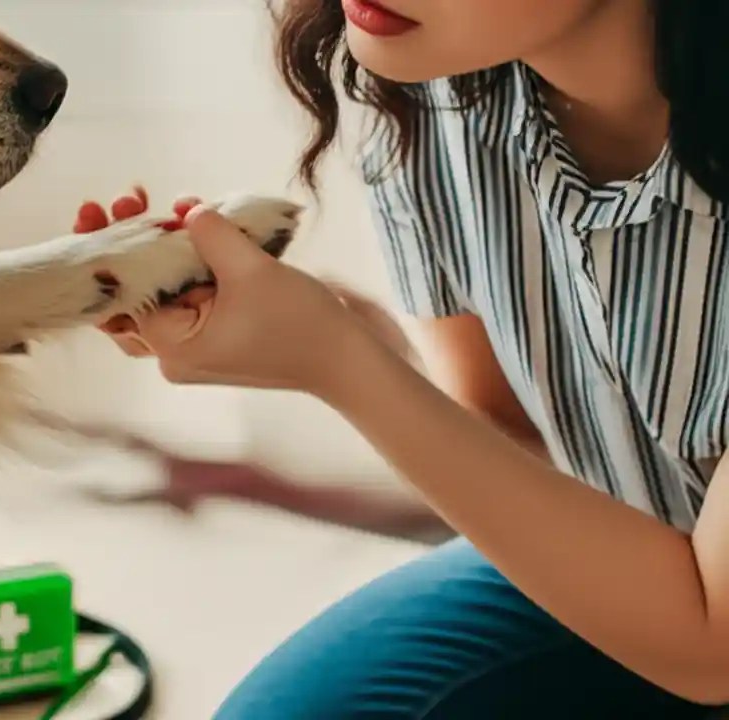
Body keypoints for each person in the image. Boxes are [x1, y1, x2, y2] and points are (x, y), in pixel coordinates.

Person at [75, 0, 729, 717]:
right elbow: (512, 439)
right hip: (626, 569)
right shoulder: (431, 93)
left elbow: (711, 649)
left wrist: (340, 362)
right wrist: (359, 344)